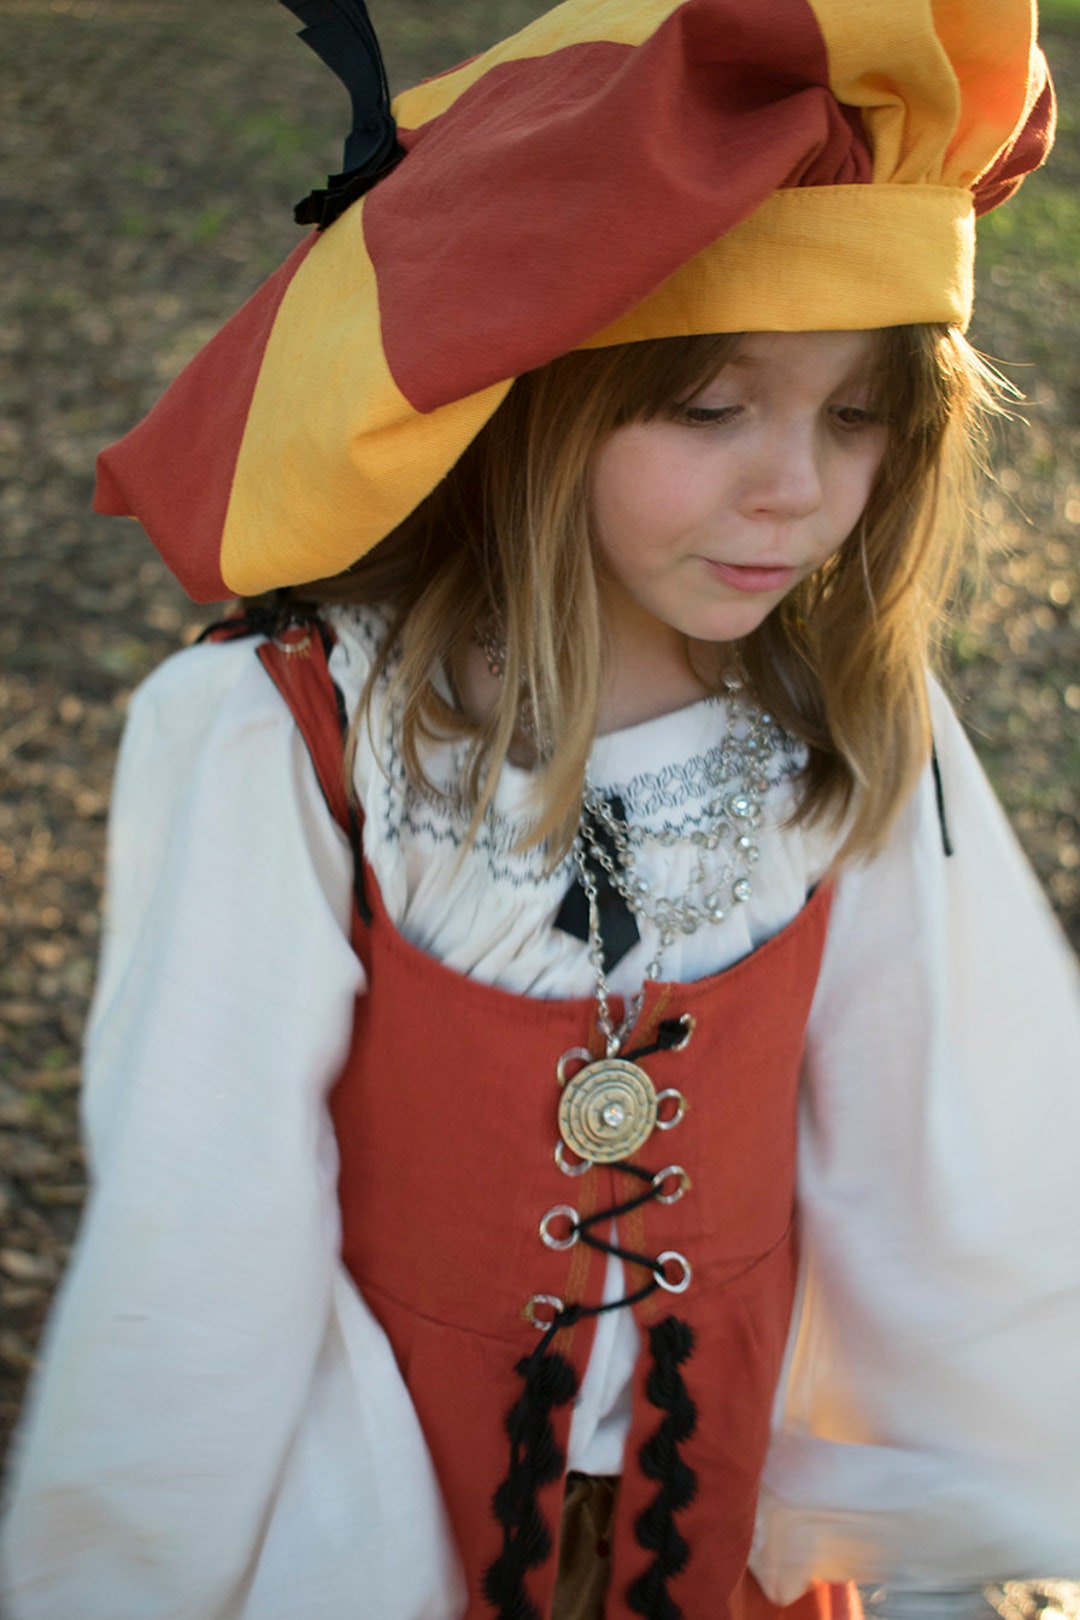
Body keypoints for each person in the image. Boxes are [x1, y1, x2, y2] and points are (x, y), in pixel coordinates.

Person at [1, 1, 1078, 1618]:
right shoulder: (293, 734)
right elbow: (199, 1236)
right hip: (379, 1522)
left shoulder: (845, 726)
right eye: (710, 406)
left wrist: (965, 1500)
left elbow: (960, 1152)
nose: (795, 485)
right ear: (541, 395)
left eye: (855, 415)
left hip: (730, 1531)